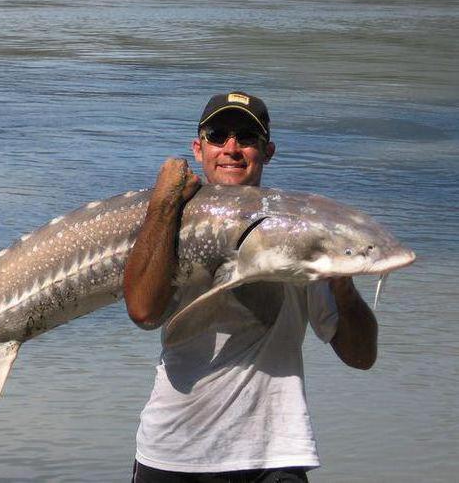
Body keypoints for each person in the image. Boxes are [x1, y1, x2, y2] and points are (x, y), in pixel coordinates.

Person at [124, 92, 378, 483]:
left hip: (274, 454)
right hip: (174, 452)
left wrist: (343, 285)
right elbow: (143, 311)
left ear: (268, 151)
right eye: (217, 135)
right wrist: (163, 205)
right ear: (198, 147)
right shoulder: (167, 220)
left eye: (246, 137)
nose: (231, 148)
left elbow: (361, 356)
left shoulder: (298, 229)